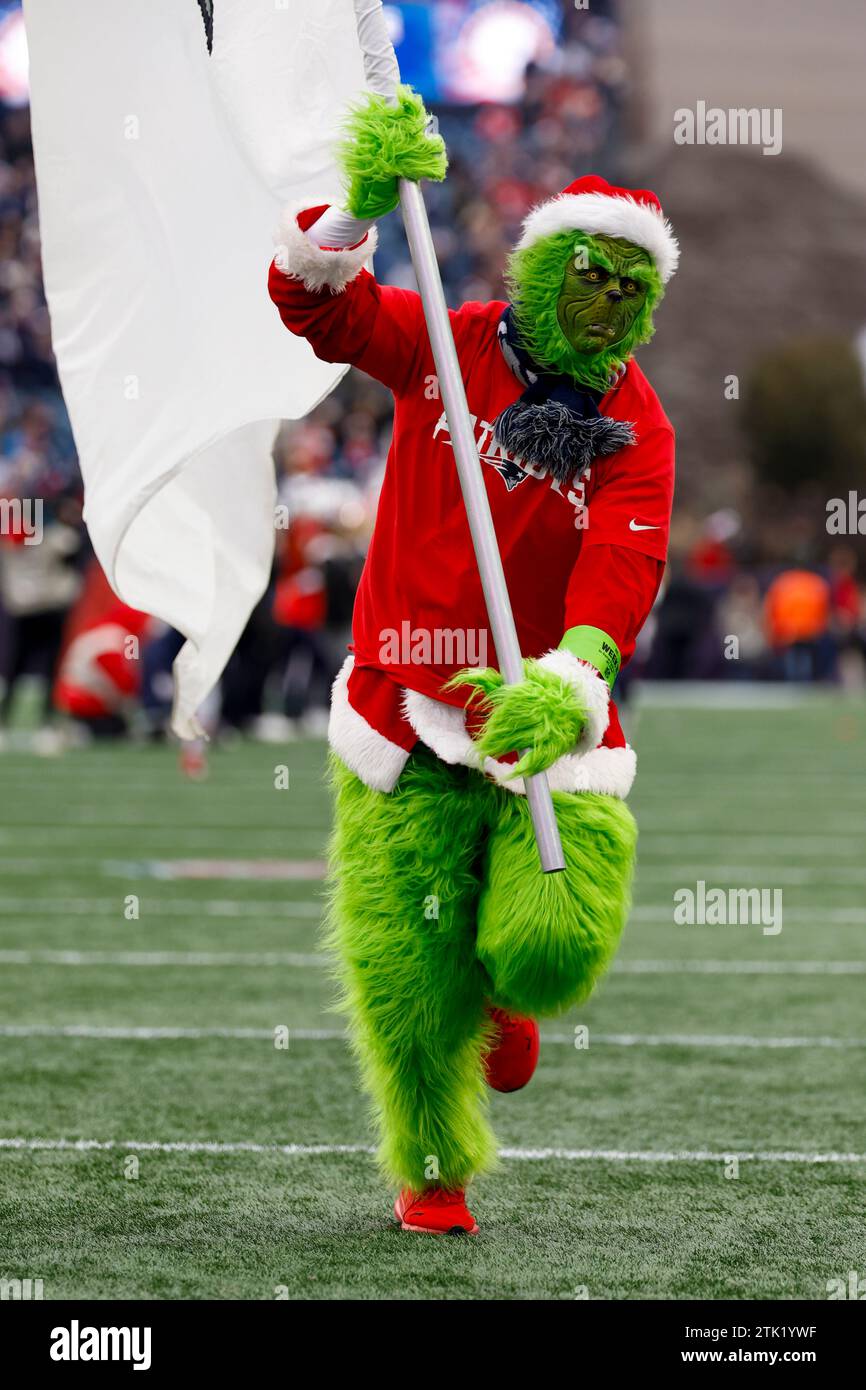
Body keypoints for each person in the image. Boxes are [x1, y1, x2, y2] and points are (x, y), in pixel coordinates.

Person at [268, 87, 678, 1235]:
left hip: (540, 713)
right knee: (406, 974)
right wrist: (355, 208)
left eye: (629, 288)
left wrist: (572, 676)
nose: (606, 301)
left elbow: (623, 565)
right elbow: (316, 307)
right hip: (403, 709)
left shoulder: (637, 427)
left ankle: (508, 995)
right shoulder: (445, 341)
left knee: (550, 944)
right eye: (588, 276)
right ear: (542, 270)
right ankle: (432, 1168)